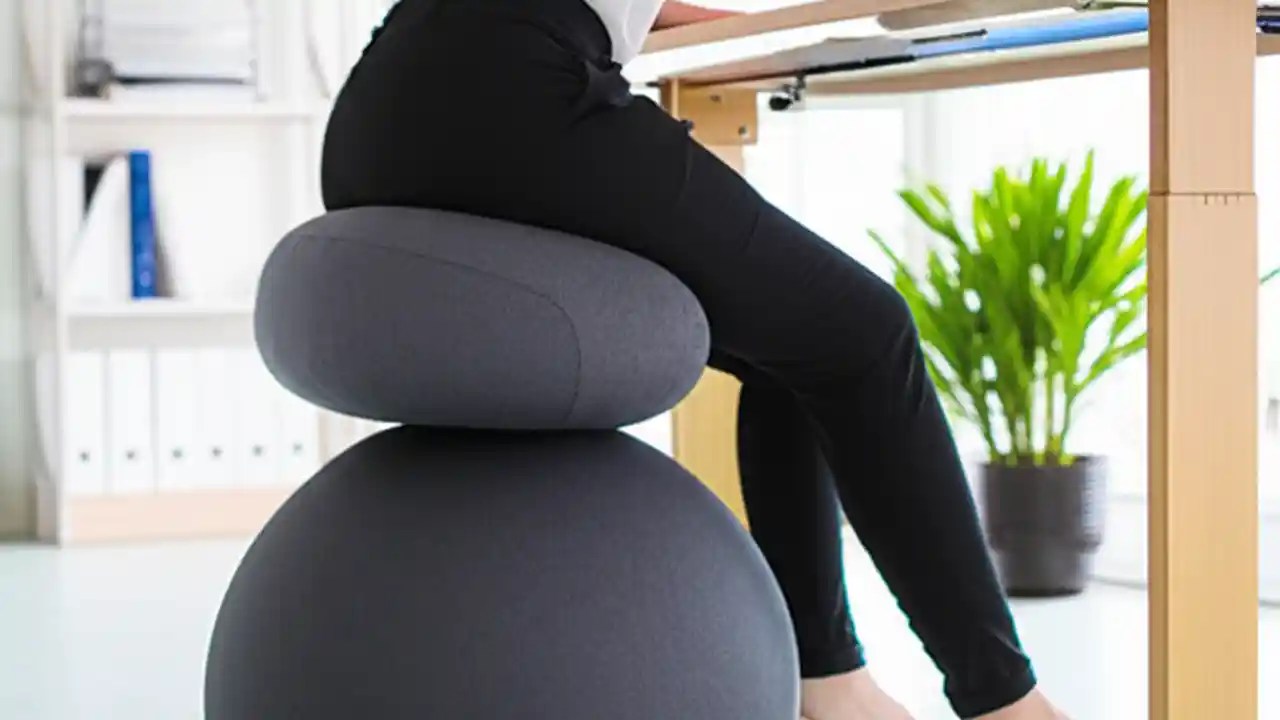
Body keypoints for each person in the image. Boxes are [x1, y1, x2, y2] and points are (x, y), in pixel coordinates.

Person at [320, 1, 1070, 718]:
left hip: (385, 114)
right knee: (864, 334)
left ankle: (827, 679)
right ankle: (1004, 701)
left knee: (797, 339)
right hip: (510, 90)